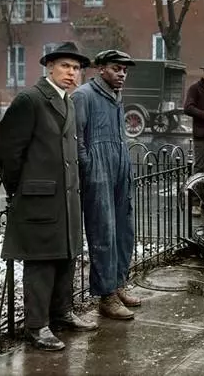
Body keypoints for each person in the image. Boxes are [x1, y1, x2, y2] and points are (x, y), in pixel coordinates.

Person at [0, 41, 97, 351]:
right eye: (65, 65)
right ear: (49, 67)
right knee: (40, 263)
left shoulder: (69, 101)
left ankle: (61, 313)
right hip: (39, 198)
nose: (72, 73)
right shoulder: (30, 100)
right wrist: (21, 188)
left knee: (65, 255)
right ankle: (36, 327)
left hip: (64, 199)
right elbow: (6, 153)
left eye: (76, 68)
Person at [71, 49, 141, 320]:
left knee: (124, 230)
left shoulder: (115, 97)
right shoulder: (84, 96)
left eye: (125, 69)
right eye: (116, 68)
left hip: (119, 168)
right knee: (103, 233)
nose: (122, 73)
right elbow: (77, 141)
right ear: (100, 68)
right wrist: (89, 169)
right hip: (98, 172)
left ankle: (119, 283)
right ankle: (106, 296)